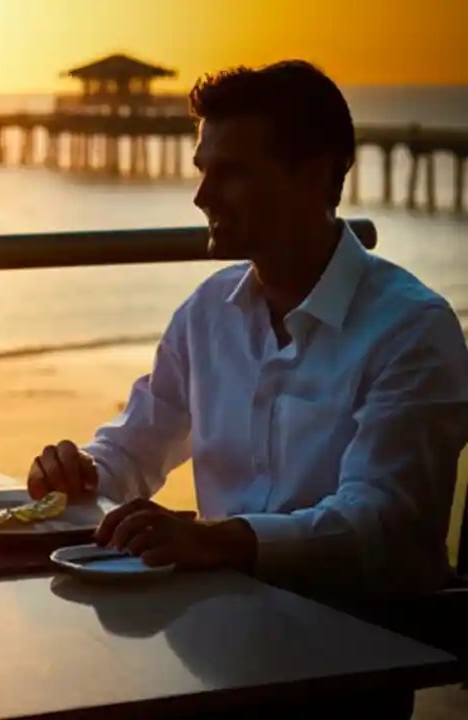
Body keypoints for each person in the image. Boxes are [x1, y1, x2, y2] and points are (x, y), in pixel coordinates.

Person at [29, 61, 468, 599]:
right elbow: (135, 447)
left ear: (314, 177)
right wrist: (83, 472)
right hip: (222, 623)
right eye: (202, 170)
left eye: (231, 173)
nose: (202, 196)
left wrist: (218, 541)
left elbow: (379, 525)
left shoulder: (411, 329)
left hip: (362, 646)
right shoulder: (208, 311)